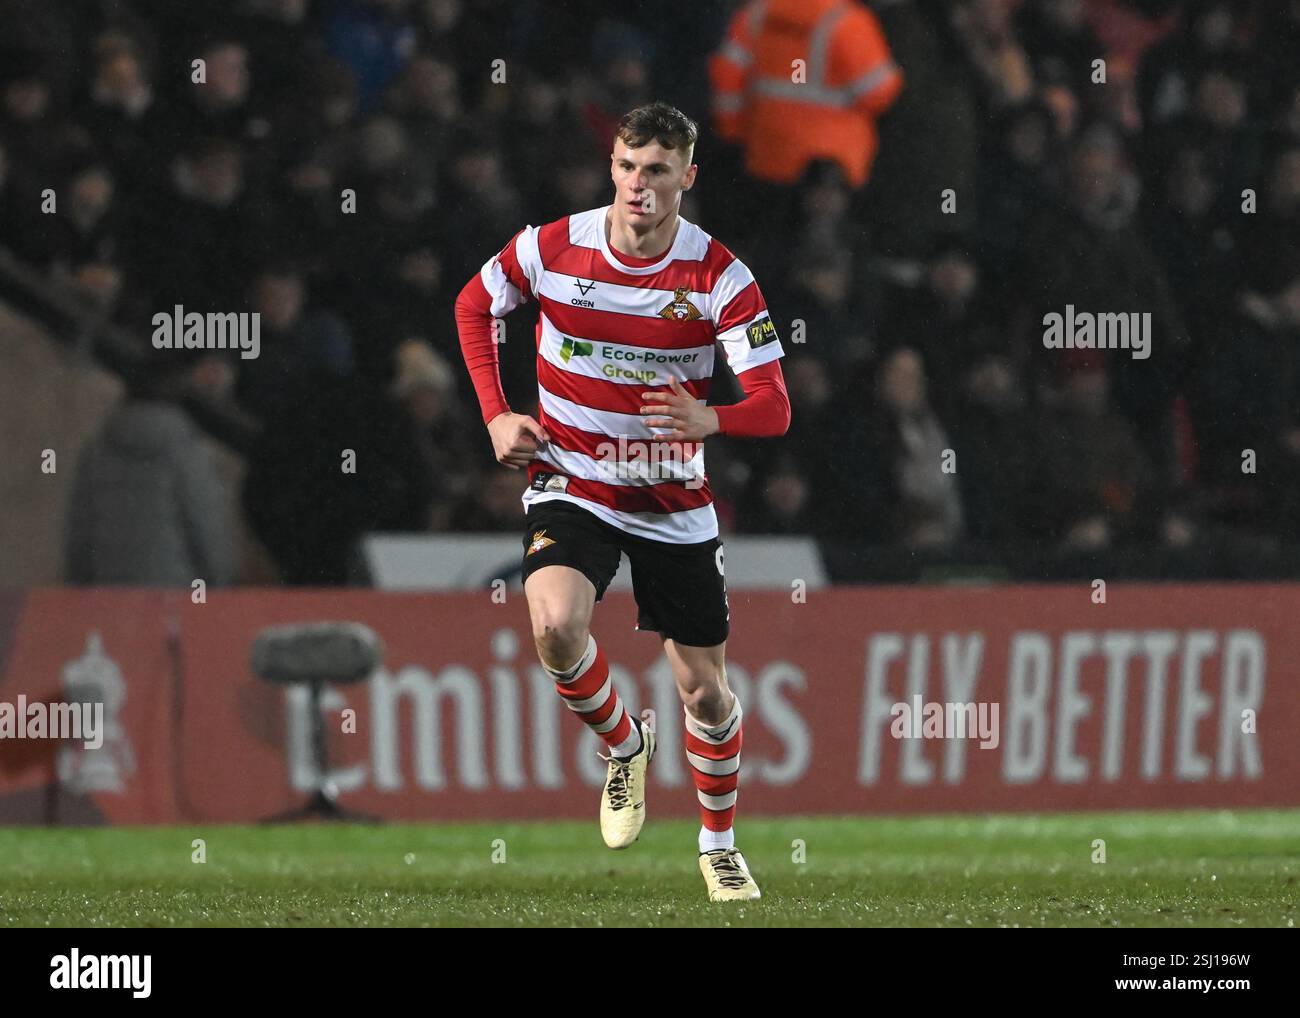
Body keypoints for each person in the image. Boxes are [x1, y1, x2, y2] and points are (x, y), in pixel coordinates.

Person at [453, 102, 790, 902]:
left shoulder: (721, 276)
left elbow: (775, 406)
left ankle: (718, 847)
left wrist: (714, 416)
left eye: (658, 171)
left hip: (672, 497)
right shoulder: (551, 247)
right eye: (628, 167)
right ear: (613, 166)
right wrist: (497, 414)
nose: (639, 185)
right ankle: (623, 745)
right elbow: (474, 305)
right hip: (574, 480)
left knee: (704, 692)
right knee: (555, 624)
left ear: (687, 178)